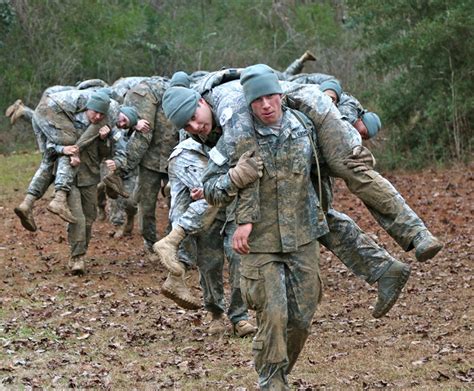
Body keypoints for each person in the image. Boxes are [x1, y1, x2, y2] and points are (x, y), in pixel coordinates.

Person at [195, 64, 328, 389]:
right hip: (257, 244)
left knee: (300, 320)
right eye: (257, 100)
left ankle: (278, 373)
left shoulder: (305, 128)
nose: (265, 105)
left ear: (281, 96)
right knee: (273, 315)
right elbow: (210, 186)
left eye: (270, 97)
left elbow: (325, 172)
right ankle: (271, 381)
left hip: (302, 238)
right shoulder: (235, 138)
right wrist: (234, 177)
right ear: (249, 103)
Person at [14, 89, 118, 231]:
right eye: (96, 112)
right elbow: (76, 143)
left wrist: (65, 149)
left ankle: (27, 204)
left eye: (101, 114)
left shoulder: (79, 101)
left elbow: (52, 149)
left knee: (48, 161)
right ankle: (59, 199)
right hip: (48, 111)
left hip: (39, 112)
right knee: (70, 147)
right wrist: (73, 151)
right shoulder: (110, 106)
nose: (99, 117)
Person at [118, 76, 179, 253]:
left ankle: (172, 241)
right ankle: (150, 243)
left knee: (175, 204)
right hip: (149, 162)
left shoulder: (181, 103)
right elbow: (126, 127)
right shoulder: (142, 102)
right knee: (146, 204)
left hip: (172, 161)